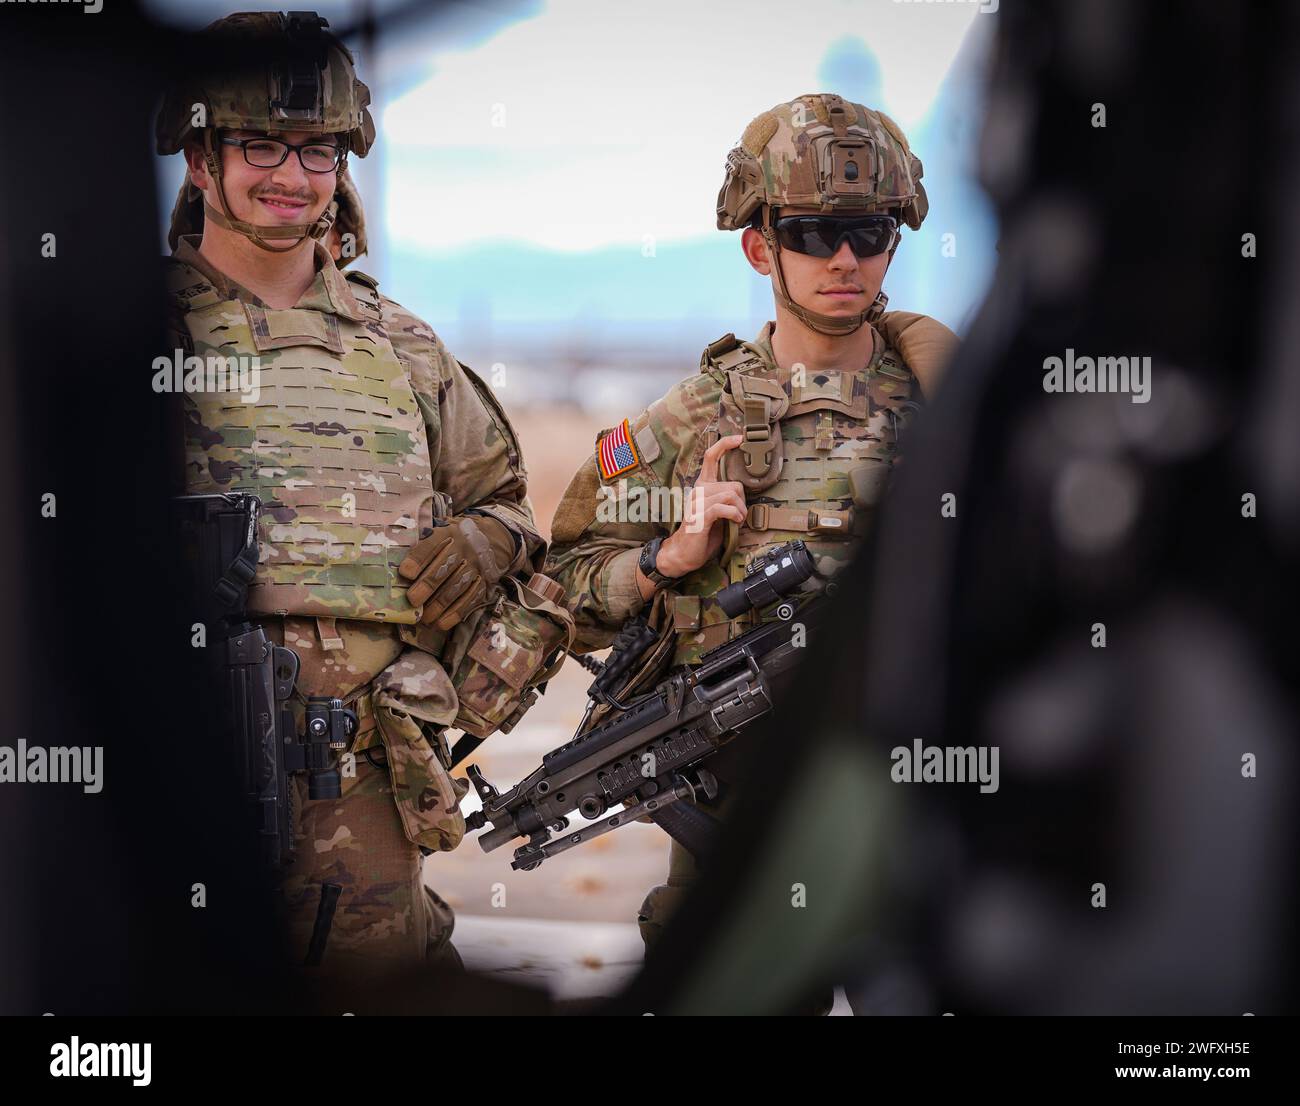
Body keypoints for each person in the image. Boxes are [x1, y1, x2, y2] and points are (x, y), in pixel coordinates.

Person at [156, 11, 550, 975]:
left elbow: (508, 508)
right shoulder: (130, 333)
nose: (291, 177)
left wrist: (487, 545)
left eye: (317, 151)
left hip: (370, 799)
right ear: (202, 157)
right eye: (260, 146)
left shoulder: (403, 349)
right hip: (171, 781)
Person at [544, 92, 959, 949]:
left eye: (871, 232)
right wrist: (668, 557)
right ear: (759, 245)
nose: (844, 258)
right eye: (812, 234)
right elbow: (561, 588)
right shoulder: (692, 421)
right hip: (741, 815)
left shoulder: (947, 403)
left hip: (916, 812)